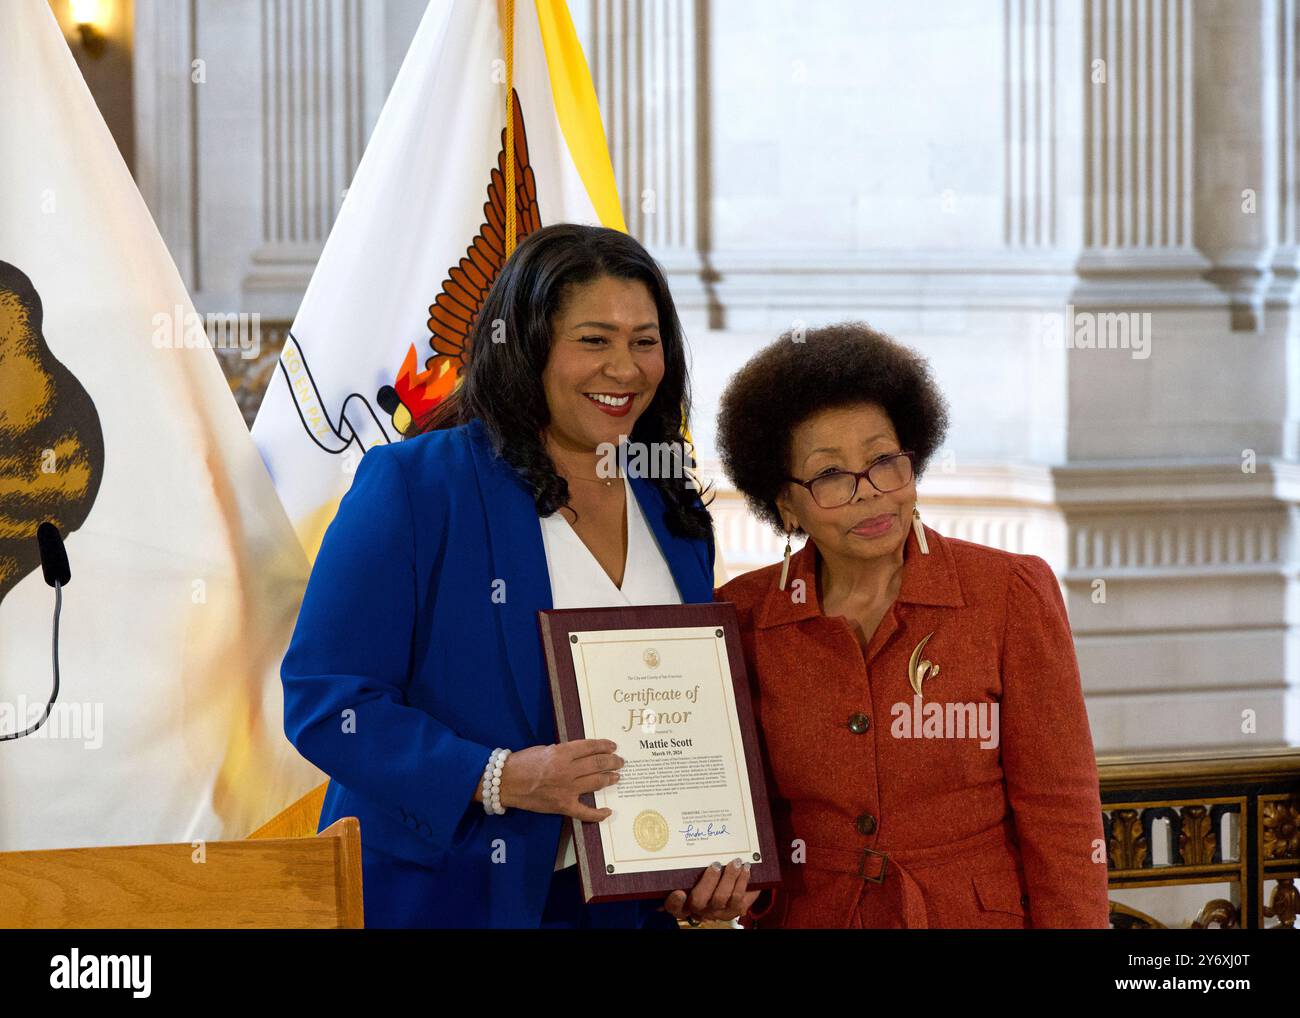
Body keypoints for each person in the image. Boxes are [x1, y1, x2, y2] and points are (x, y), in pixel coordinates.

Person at [280, 223, 756, 927]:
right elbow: (327, 702)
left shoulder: (673, 504)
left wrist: (696, 863)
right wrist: (498, 776)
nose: (624, 369)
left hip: (621, 908)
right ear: (527, 347)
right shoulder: (417, 486)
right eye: (594, 340)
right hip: (448, 897)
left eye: (645, 341)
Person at [713, 322, 1110, 928]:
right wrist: (741, 887)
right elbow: (745, 819)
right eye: (830, 476)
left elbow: (1061, 814)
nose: (869, 493)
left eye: (883, 462)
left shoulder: (1007, 594)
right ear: (785, 504)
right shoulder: (742, 617)